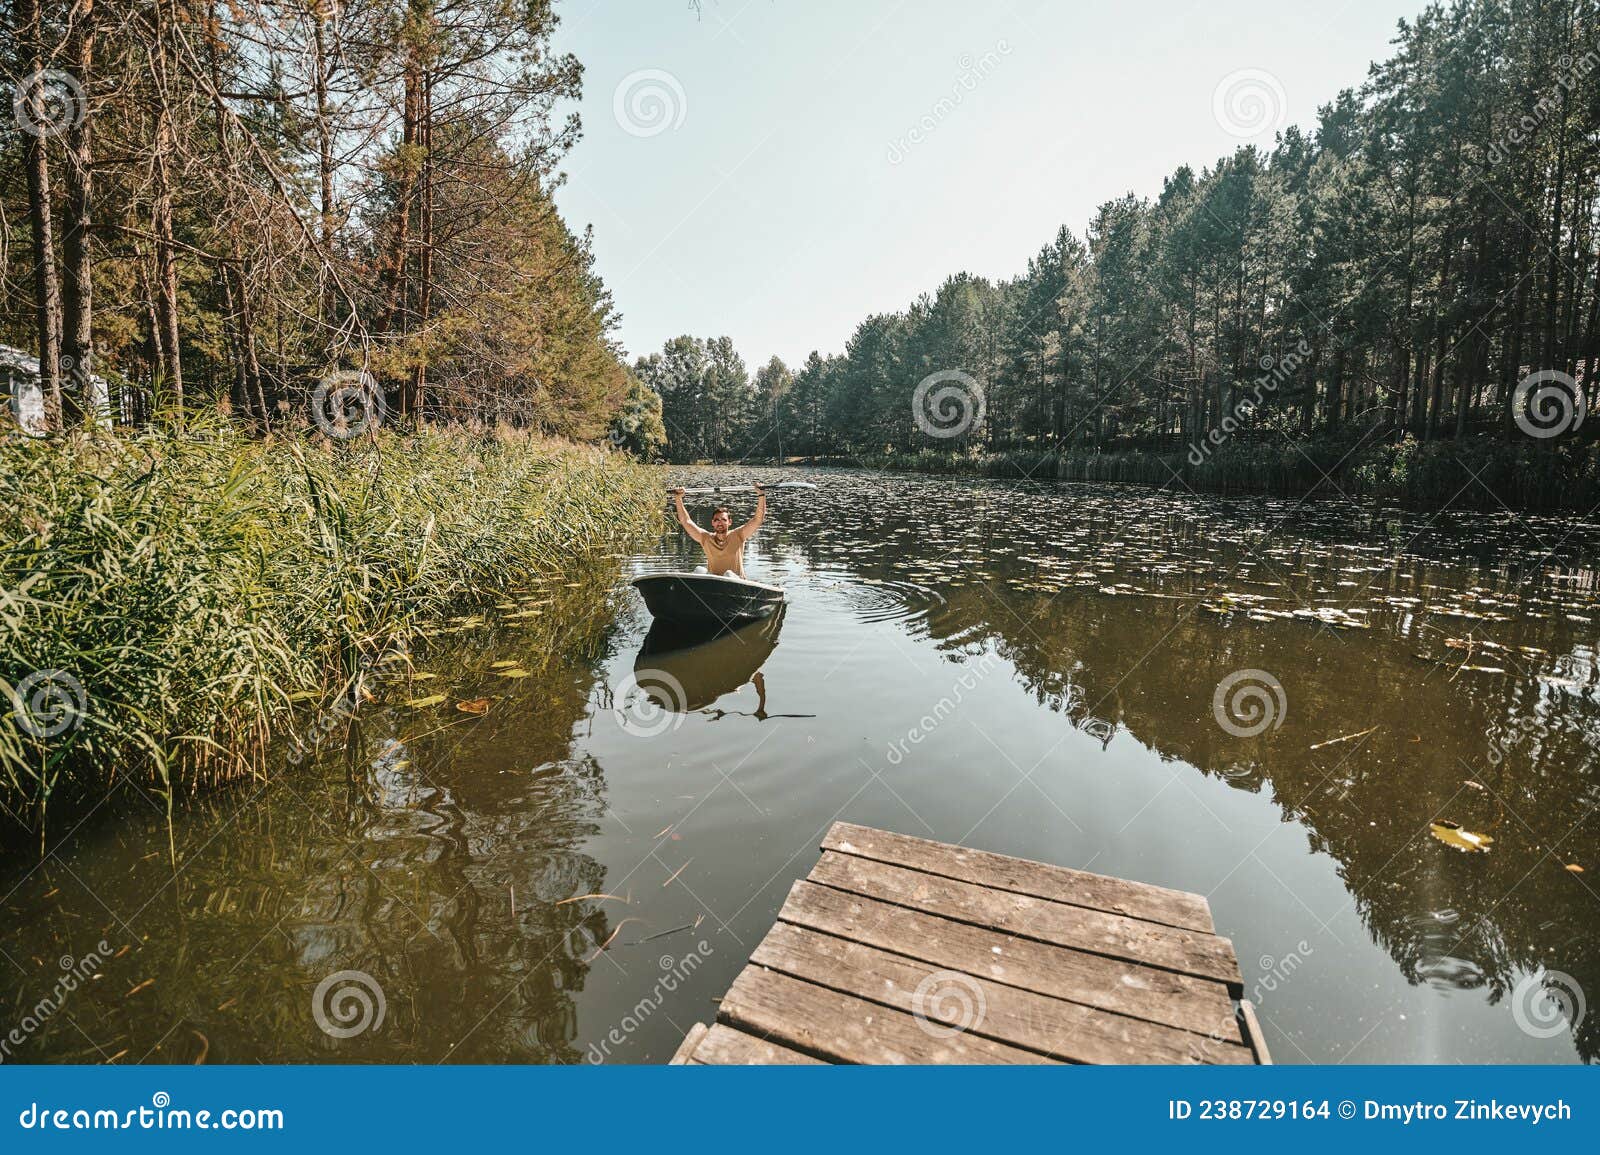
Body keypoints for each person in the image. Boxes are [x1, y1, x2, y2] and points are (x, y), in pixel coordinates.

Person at [671, 485, 765, 577]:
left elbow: (757, 520)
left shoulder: (738, 535)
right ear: (712, 523)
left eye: (723, 520)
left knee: (728, 574)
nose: (720, 523)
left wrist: (761, 495)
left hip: (736, 583)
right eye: (716, 520)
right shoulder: (705, 538)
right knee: (699, 570)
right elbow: (686, 521)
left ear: (729, 522)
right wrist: (678, 498)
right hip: (714, 584)